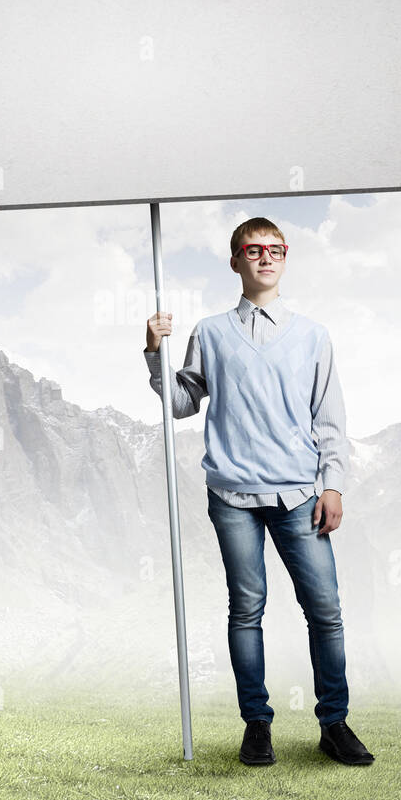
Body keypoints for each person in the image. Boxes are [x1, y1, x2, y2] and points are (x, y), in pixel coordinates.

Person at [143, 217, 374, 767]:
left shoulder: (313, 335)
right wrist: (155, 353)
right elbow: (179, 404)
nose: (265, 257)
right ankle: (257, 726)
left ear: (286, 258)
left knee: (325, 611)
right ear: (235, 260)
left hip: (300, 494)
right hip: (232, 496)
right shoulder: (210, 333)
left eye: (275, 250)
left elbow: (330, 418)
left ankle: (334, 724)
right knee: (247, 609)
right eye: (253, 249)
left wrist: (333, 484)